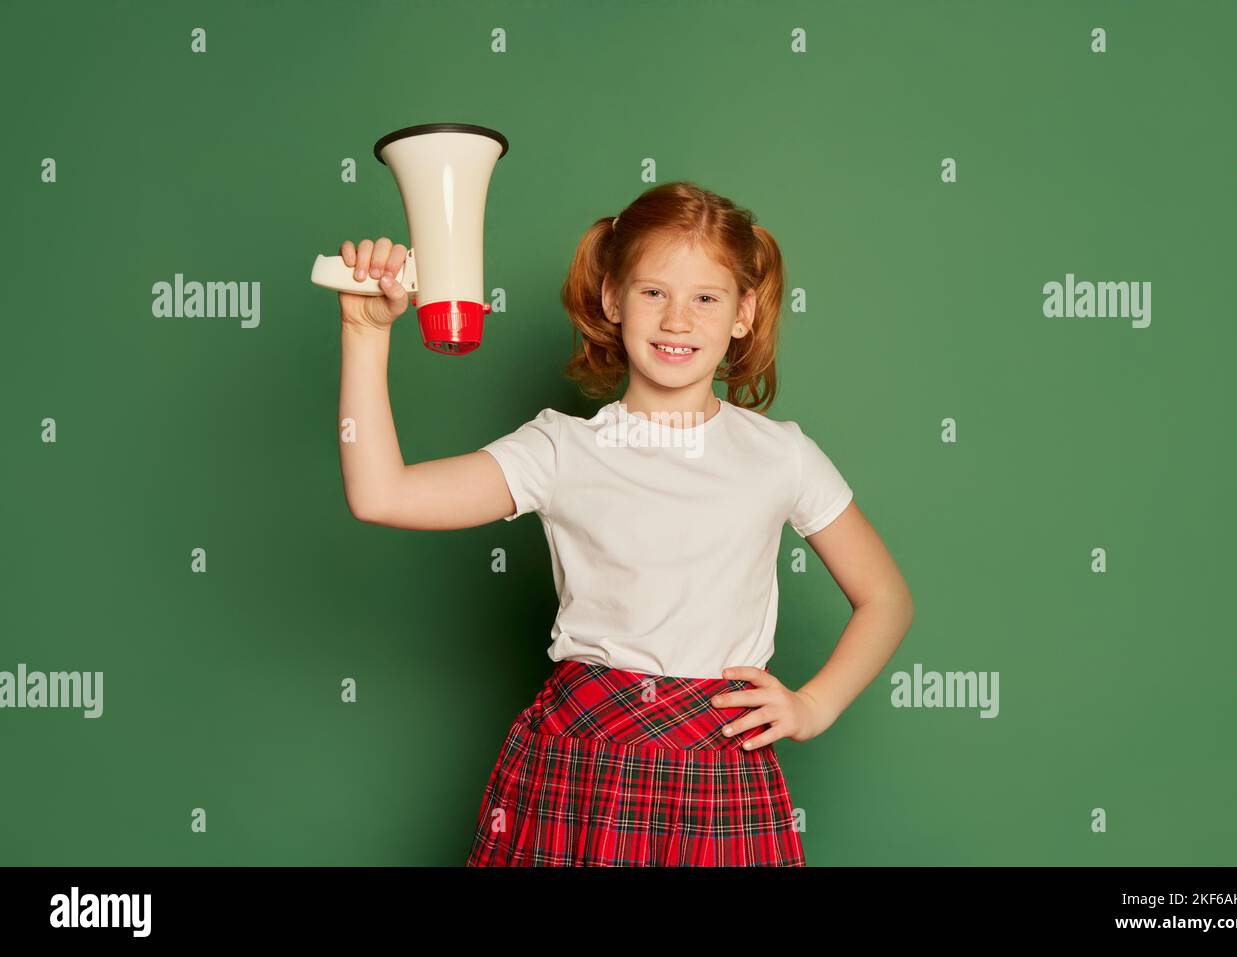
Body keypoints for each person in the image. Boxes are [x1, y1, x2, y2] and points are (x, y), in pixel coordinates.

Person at [336, 181, 914, 866]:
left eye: (706, 296)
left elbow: (887, 598)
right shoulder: (558, 449)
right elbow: (383, 494)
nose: (678, 319)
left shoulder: (780, 454)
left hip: (717, 768)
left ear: (743, 312)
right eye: (653, 292)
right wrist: (365, 332)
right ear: (612, 299)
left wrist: (814, 705)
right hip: (581, 764)